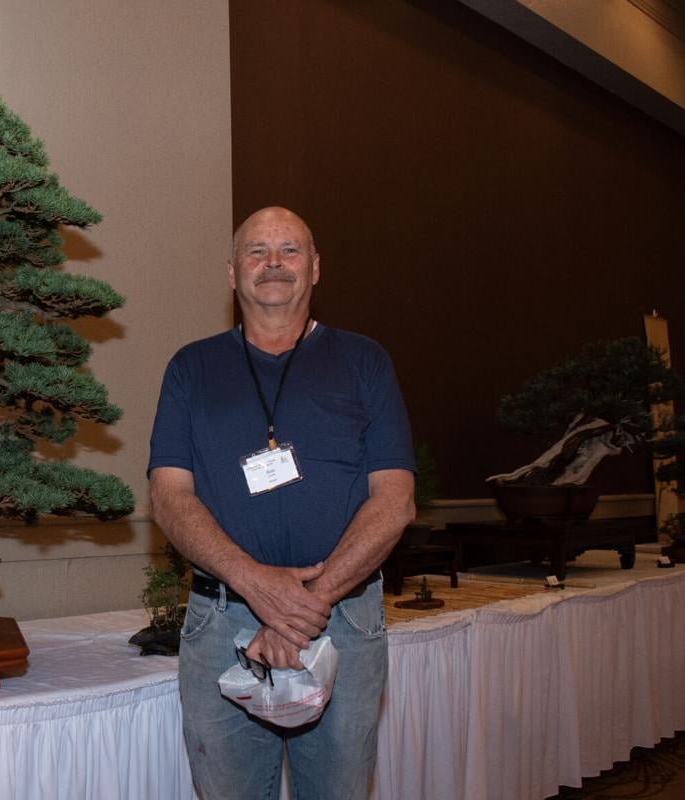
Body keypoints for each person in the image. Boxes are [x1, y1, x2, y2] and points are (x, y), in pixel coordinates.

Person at [148, 206, 415, 799]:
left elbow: (394, 502)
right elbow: (168, 498)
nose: (274, 263)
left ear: (316, 268)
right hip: (222, 620)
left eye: (290, 250)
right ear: (232, 272)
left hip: (341, 618)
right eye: (257, 251)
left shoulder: (365, 362)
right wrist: (259, 586)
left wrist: (302, 607)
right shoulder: (190, 369)